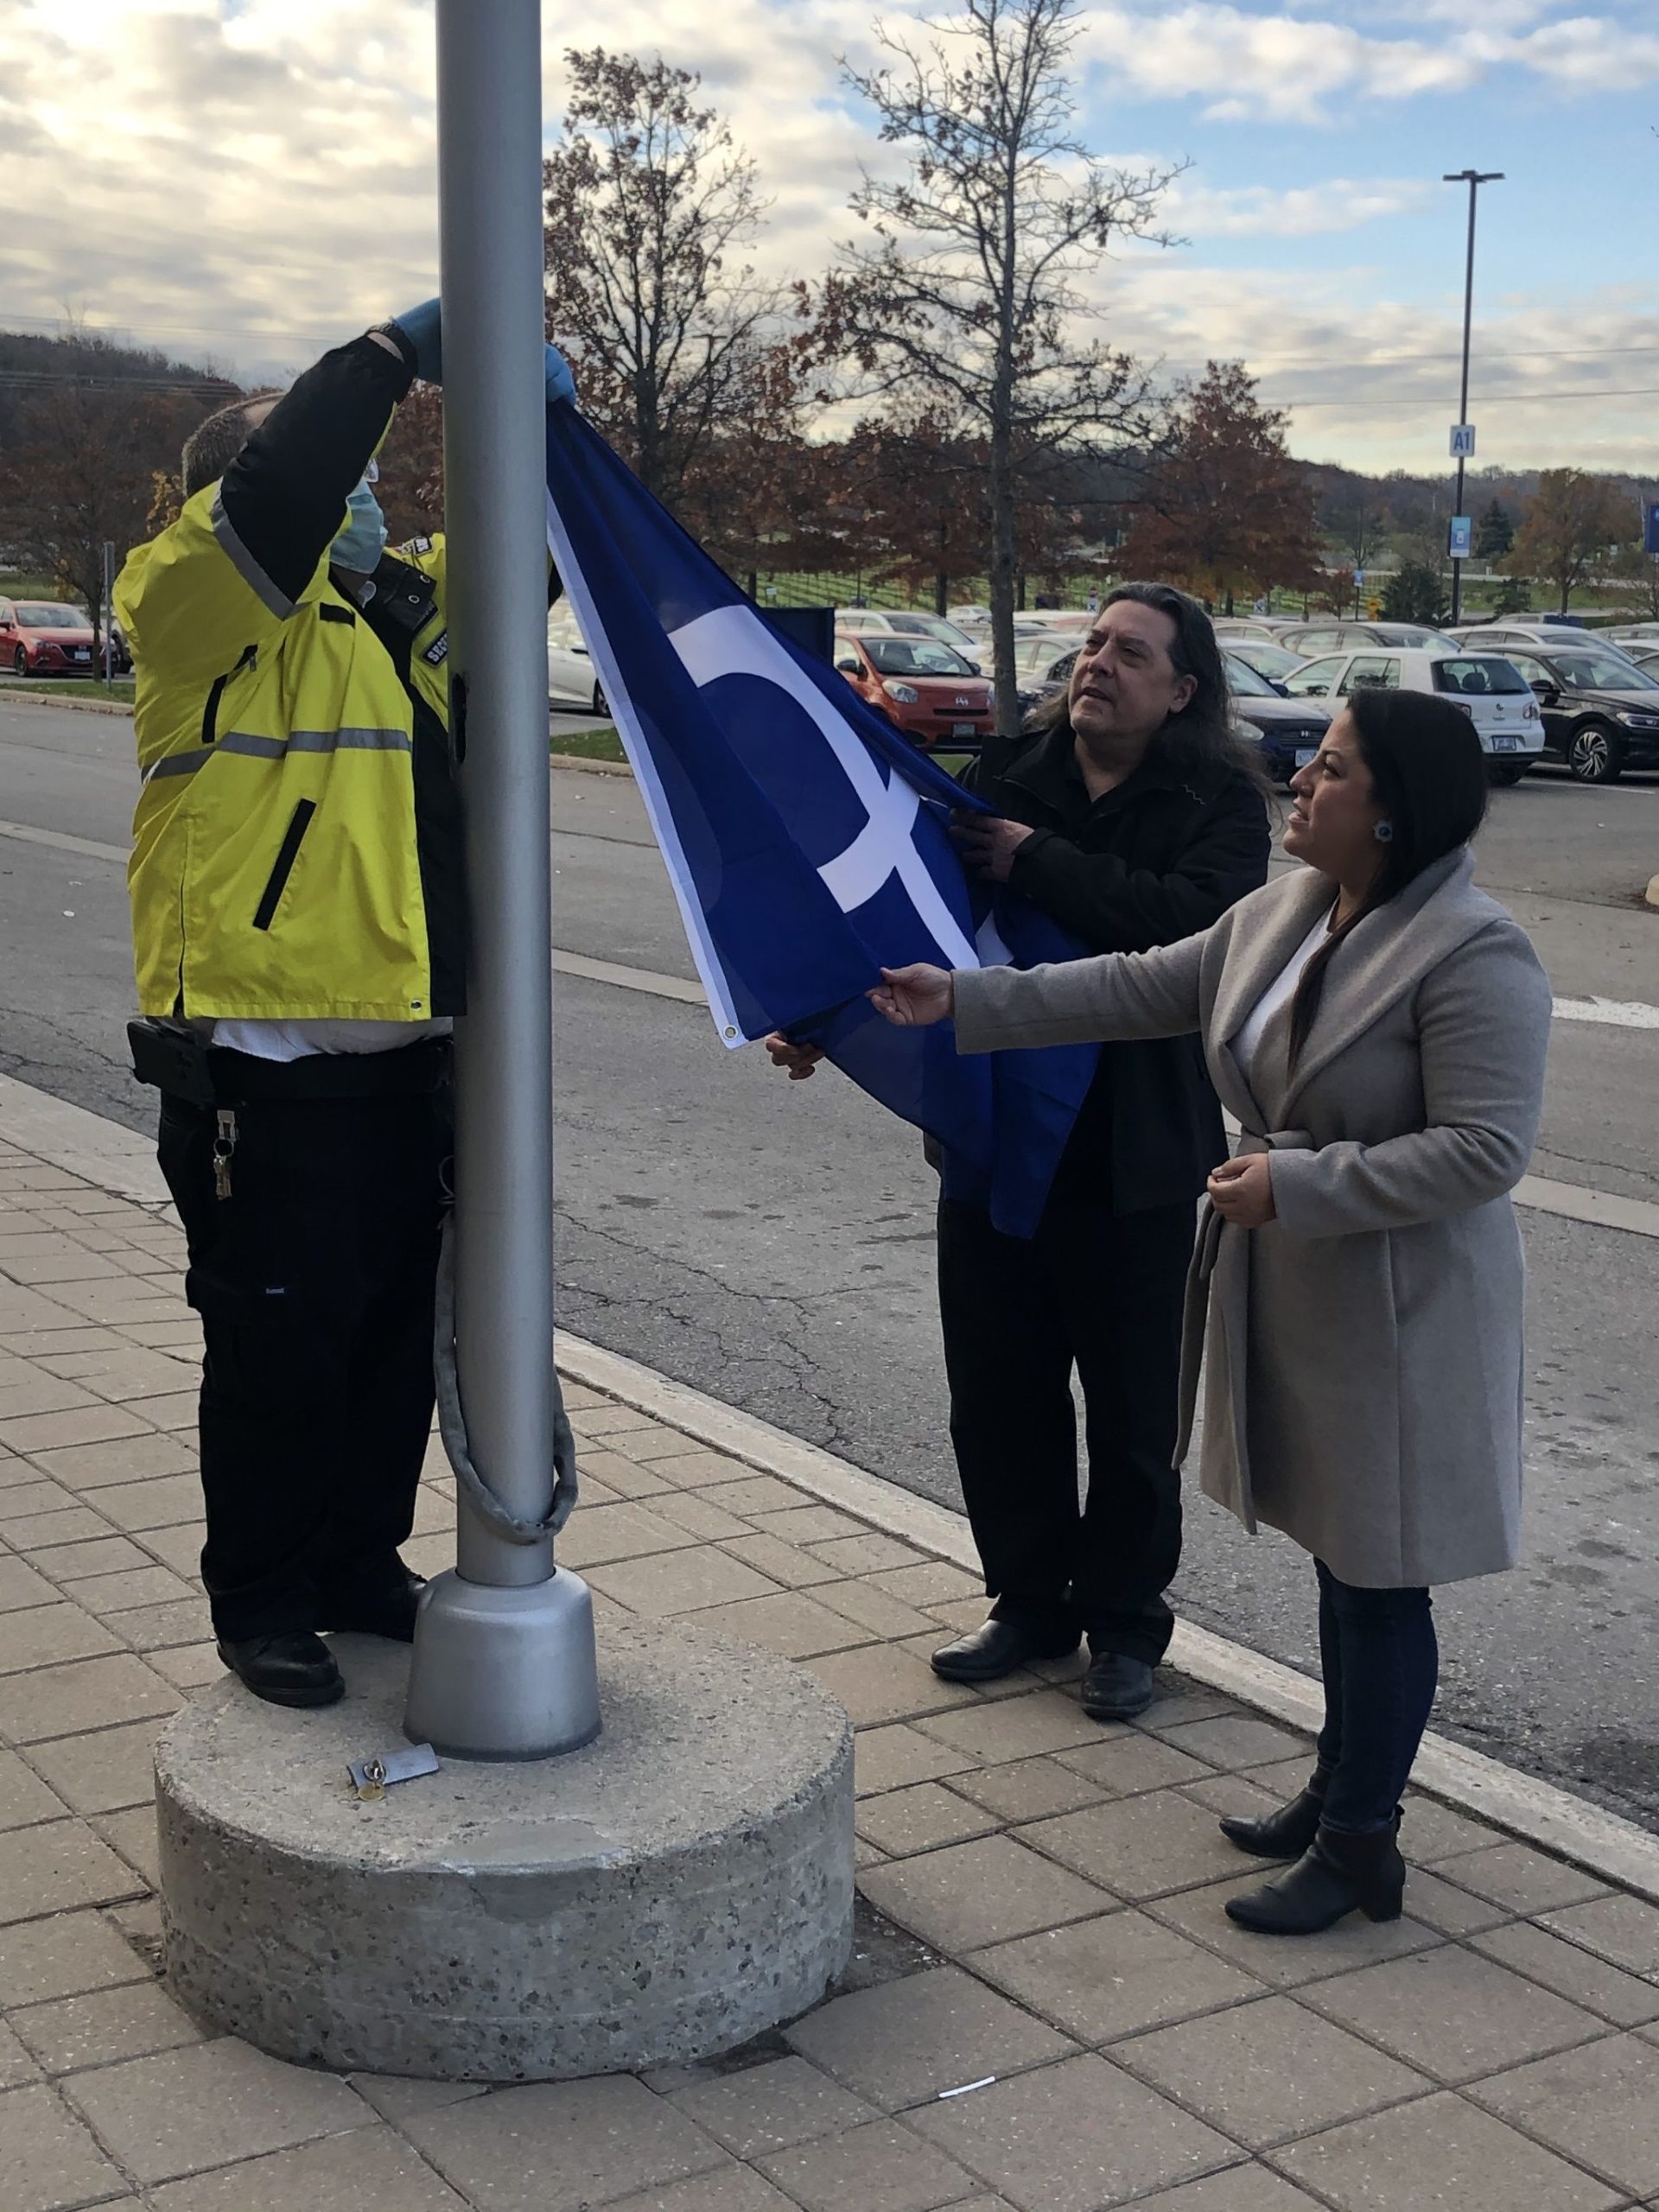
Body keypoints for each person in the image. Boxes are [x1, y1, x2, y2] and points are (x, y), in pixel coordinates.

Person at [869, 686, 1552, 1933]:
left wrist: (1298, 1183)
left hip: (1405, 1313)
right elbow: (1134, 985)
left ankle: (1360, 1845)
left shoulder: (1475, 950)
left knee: (1381, 1573)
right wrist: (961, 1000)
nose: (1301, 779)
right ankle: (1348, 1791)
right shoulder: (1288, 908)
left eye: (1333, 769)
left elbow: (1484, 1151)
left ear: (1393, 813)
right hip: (1303, 1289)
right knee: (1342, 1559)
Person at [117, 305, 577, 1711]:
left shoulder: (392, 612)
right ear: (229, 492)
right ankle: (261, 1595)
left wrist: (546, 429)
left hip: (405, 1065)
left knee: (385, 1343)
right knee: (278, 1351)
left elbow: (548, 558)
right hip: (264, 1067)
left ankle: (356, 1562)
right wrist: (388, 356)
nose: (366, 497)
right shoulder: (188, 599)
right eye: (340, 474)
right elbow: (280, 493)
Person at [768, 585, 1270, 1719]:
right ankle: (1027, 1604)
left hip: (1134, 1151)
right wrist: (817, 1014)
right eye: (1092, 644)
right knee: (999, 1396)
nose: (1097, 663)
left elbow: (1194, 934)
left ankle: (1127, 1628)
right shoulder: (1002, 778)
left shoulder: (1217, 801)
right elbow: (904, 910)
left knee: (1134, 1416)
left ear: (1181, 690)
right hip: (998, 1140)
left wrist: (1036, 861)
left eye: (1129, 653)